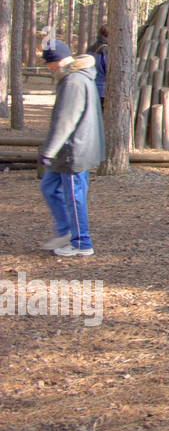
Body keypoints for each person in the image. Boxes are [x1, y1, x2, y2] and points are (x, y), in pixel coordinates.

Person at [37, 39, 104, 257]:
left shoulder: (73, 81)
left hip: (73, 150)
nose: (48, 68)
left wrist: (49, 150)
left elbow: (66, 120)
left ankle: (82, 242)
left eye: (49, 64)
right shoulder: (74, 78)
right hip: (70, 150)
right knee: (49, 186)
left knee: (74, 197)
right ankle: (67, 230)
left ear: (57, 61)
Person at [89, 25, 109, 108]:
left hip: (91, 88)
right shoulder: (106, 50)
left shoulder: (90, 48)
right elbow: (108, 70)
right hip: (103, 91)